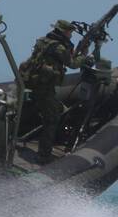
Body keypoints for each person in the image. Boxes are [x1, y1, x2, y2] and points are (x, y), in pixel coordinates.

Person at [19, 19, 88, 164]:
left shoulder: (44, 41)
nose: (71, 35)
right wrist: (86, 55)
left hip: (34, 83)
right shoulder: (59, 48)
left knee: (58, 109)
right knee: (52, 118)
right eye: (70, 32)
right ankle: (44, 155)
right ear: (64, 32)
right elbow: (73, 64)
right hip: (43, 88)